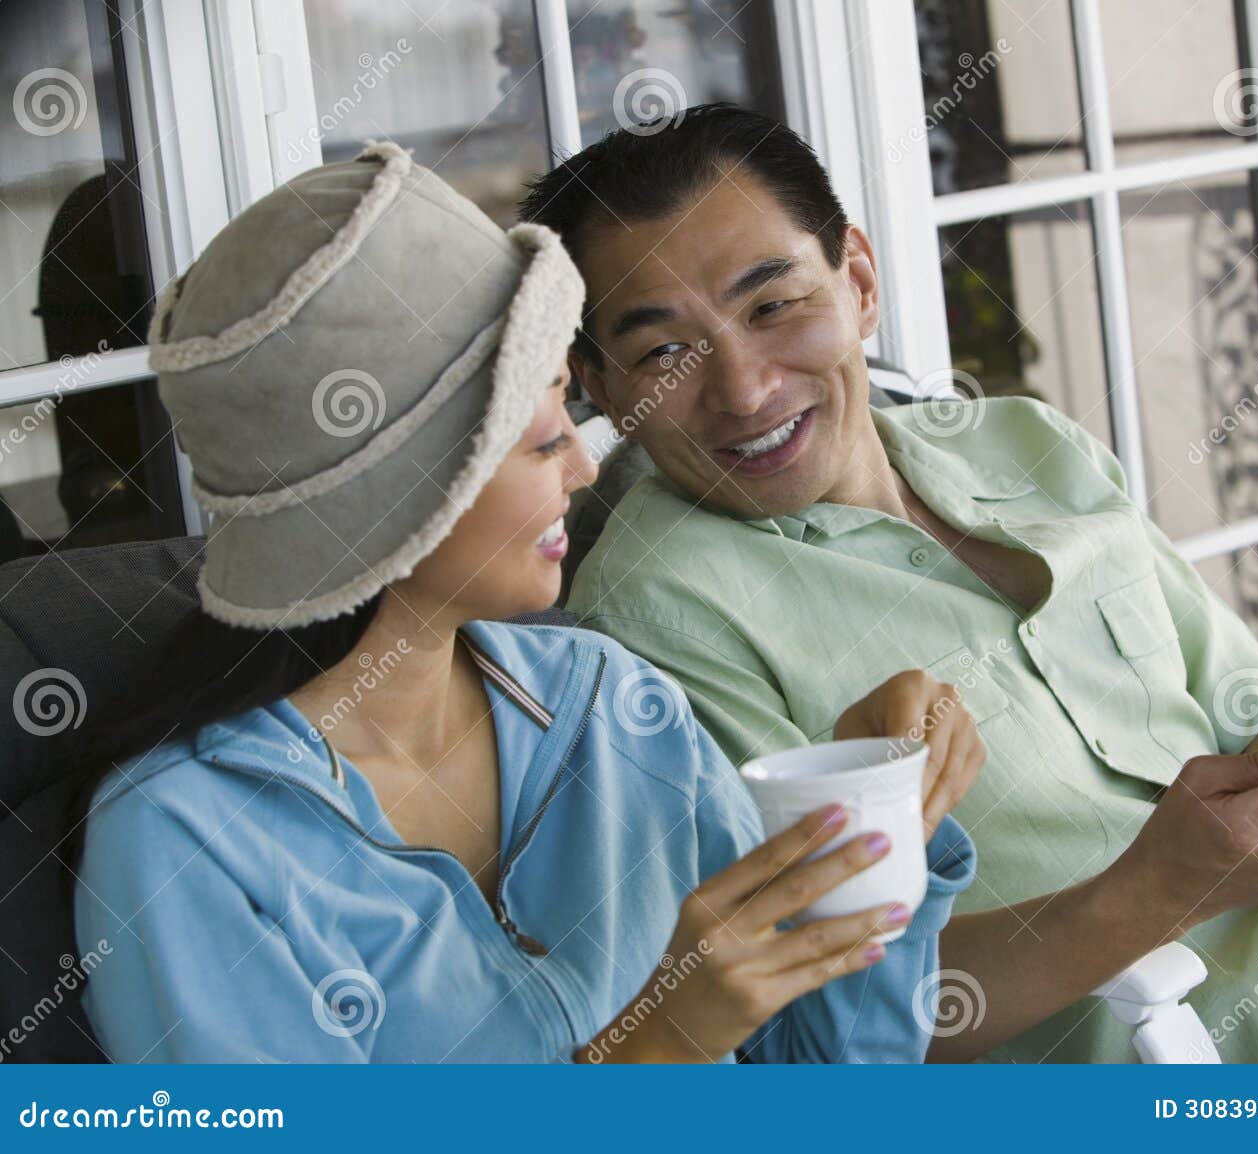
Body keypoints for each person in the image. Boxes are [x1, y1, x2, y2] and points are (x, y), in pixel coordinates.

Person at [530, 104, 1258, 1063]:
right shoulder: (649, 626)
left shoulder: (1019, 442)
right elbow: (831, 1025)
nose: (745, 387)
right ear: (598, 387)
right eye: (665, 350)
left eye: (773, 306)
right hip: (1245, 1047)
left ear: (857, 282)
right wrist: (1163, 887)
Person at [71, 143, 980, 1063]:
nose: (586, 469)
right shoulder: (183, 844)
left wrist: (876, 837)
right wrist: (661, 1043)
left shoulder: (614, 706)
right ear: (405, 491)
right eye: (545, 438)